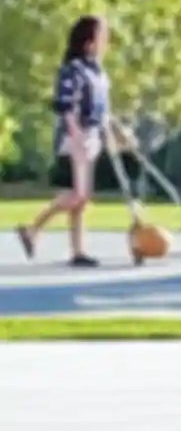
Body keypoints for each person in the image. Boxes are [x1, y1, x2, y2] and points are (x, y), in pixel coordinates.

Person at [15, 15, 112, 267]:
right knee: (80, 195)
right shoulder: (73, 69)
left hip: (92, 133)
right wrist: (75, 133)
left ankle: (78, 251)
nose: (106, 42)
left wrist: (112, 132)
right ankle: (32, 229)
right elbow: (65, 104)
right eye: (102, 36)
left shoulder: (98, 71)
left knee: (82, 199)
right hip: (75, 134)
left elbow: (103, 108)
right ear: (89, 41)